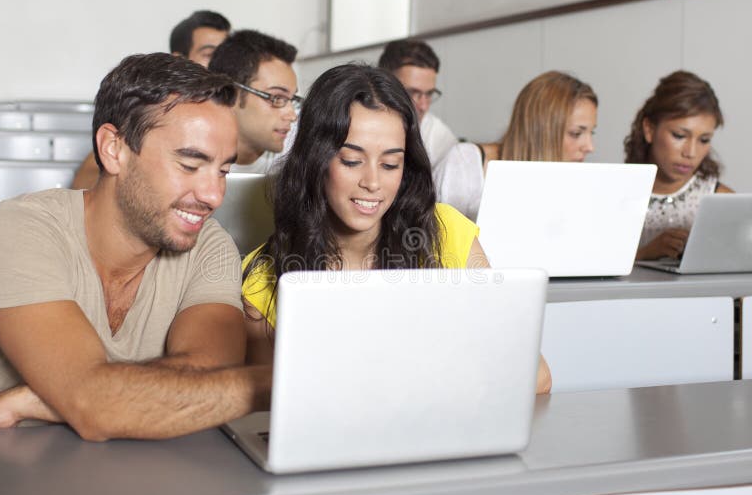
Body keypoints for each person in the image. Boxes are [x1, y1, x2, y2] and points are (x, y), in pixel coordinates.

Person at [0, 53, 270, 440]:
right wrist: (271, 382)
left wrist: (43, 401)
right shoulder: (19, 230)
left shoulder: (207, 244)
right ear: (113, 149)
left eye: (223, 171)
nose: (213, 195)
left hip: (114, 478)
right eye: (189, 165)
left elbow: (212, 377)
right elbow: (95, 404)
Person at [240, 64, 552, 393]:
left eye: (391, 164)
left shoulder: (445, 233)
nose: (373, 182)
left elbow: (537, 375)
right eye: (351, 160)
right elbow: (268, 407)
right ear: (315, 160)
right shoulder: (264, 279)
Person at [71, 10, 232, 190]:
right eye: (210, 54)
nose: (222, 64)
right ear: (179, 59)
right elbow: (87, 187)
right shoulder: (154, 109)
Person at [435, 71, 598, 220]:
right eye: (576, 133)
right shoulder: (466, 163)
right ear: (540, 131)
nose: (590, 147)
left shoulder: (574, 185)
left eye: (592, 133)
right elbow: (438, 240)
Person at [625, 71, 733, 261]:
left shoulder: (723, 202)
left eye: (704, 140)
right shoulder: (616, 194)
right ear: (649, 129)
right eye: (679, 136)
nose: (691, 153)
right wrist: (644, 254)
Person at [208, 30, 300, 174]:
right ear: (230, 94)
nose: (292, 115)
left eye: (292, 99)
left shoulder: (294, 159)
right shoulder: (192, 158)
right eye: (277, 98)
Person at [378, 40, 458, 167]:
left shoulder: (436, 135)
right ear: (382, 84)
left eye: (429, 94)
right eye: (411, 93)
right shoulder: (351, 123)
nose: (423, 106)